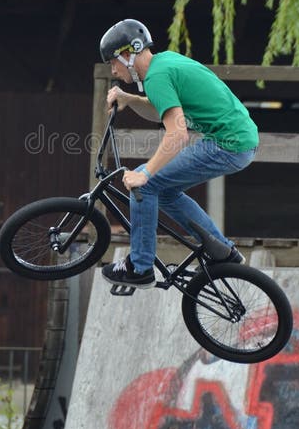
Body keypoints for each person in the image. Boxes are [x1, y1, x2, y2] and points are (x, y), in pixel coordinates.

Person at [99, 18, 259, 286]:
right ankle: (222, 252)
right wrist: (130, 99)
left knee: (145, 185)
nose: (113, 70)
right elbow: (160, 110)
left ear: (128, 54)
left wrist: (145, 174)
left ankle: (140, 267)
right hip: (237, 141)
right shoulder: (163, 64)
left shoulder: (156, 76)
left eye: (113, 62)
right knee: (165, 192)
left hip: (228, 145)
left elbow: (177, 134)